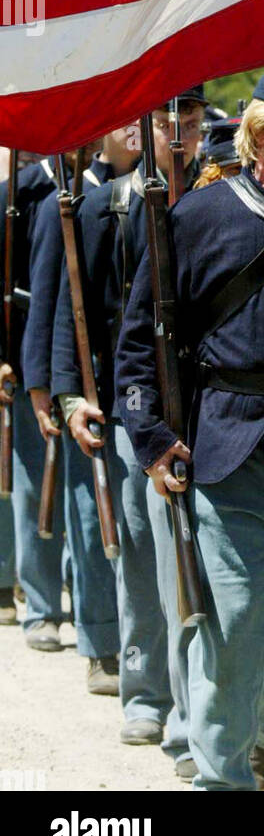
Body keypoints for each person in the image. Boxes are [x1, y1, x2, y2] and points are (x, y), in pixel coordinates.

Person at [116, 59, 264, 791]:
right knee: (233, 621)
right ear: (262, 129)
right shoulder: (199, 214)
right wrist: (149, 436)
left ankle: (262, 734)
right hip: (221, 437)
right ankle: (222, 774)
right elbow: (142, 339)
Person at [52, 91, 206, 772]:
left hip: (217, 408)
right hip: (132, 407)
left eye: (191, 119)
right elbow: (72, 305)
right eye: (167, 118)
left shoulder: (222, 197)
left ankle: (207, 703)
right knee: (142, 558)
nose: (178, 132)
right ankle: (147, 695)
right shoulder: (106, 205)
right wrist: (69, 394)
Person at [23, 132, 138, 691]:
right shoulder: (65, 200)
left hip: (139, 381)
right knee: (93, 517)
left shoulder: (159, 190)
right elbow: (47, 301)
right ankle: (99, 641)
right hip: (89, 384)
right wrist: (45, 384)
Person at [0, 154, 75, 653]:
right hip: (29, 346)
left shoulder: (109, 184)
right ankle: (42, 608)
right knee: (35, 484)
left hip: (91, 351)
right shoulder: (18, 192)